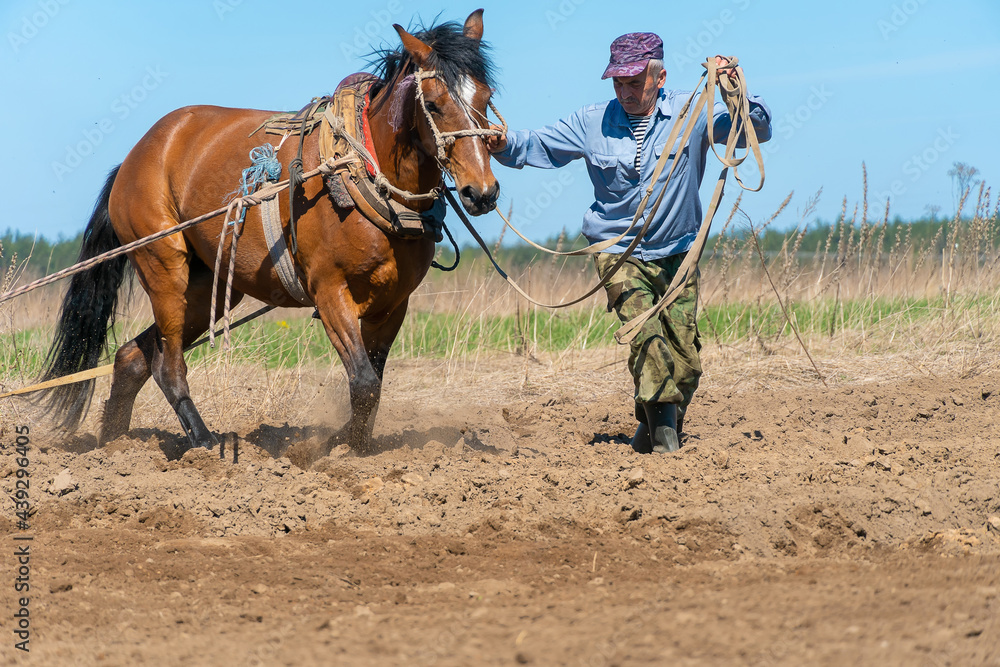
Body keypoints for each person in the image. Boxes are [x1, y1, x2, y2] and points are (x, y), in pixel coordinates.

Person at [486, 32, 772, 454]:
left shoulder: (692, 112)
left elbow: (753, 131)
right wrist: (502, 143)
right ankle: (665, 445)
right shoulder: (591, 121)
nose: (625, 92)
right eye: (617, 83)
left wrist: (735, 92)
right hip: (618, 253)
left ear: (660, 77)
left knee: (687, 362)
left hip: (679, 252)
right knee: (647, 338)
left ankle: (649, 429)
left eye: (634, 82)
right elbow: (537, 144)